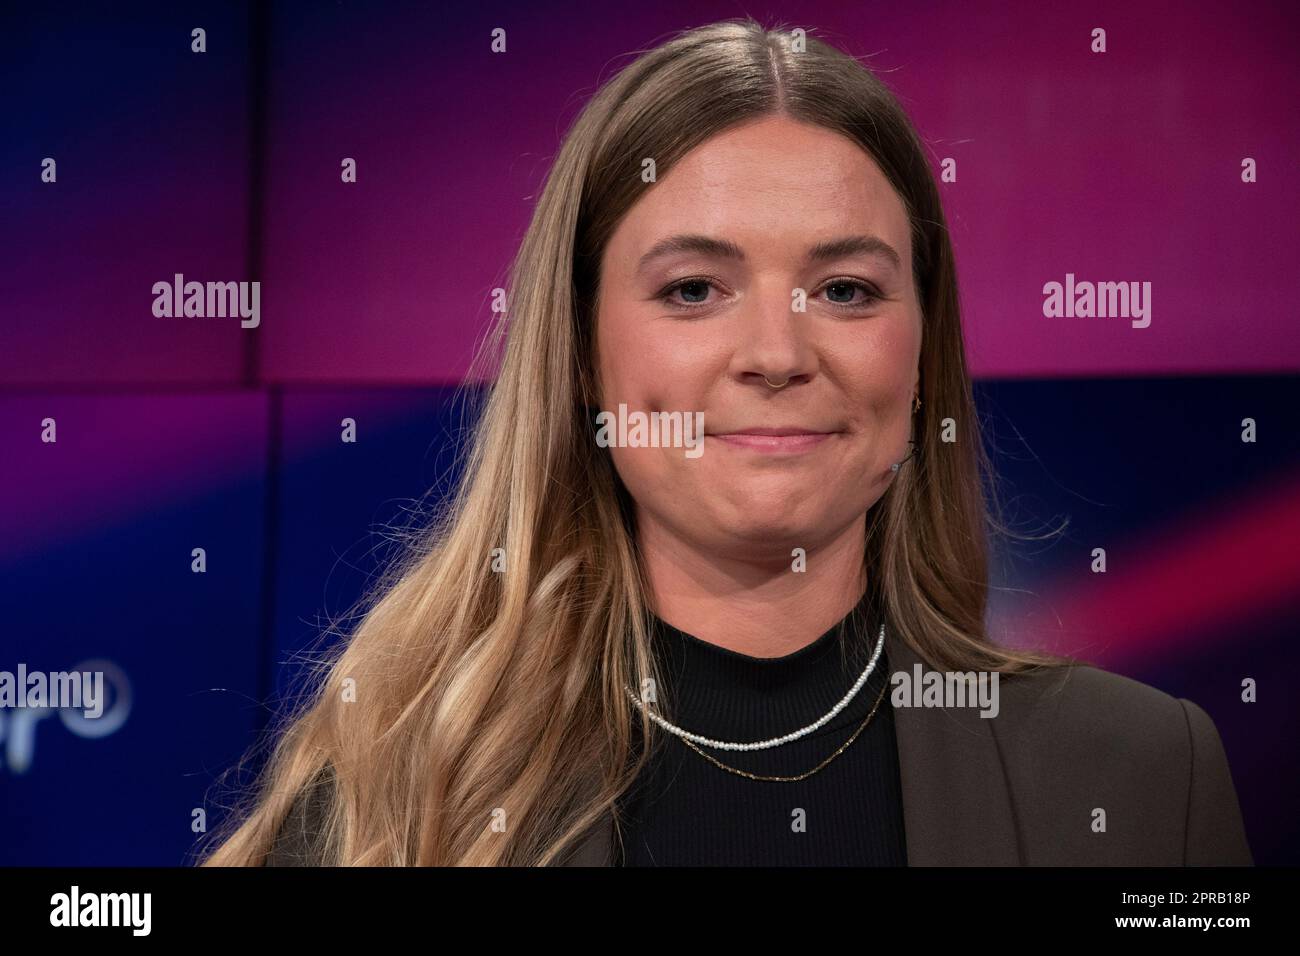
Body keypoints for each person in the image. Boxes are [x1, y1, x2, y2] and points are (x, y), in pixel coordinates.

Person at [199, 18, 1251, 867]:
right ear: (579, 356)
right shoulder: (393, 791)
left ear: (921, 353)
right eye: (693, 289)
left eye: (845, 289)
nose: (775, 352)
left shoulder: (1142, 774)